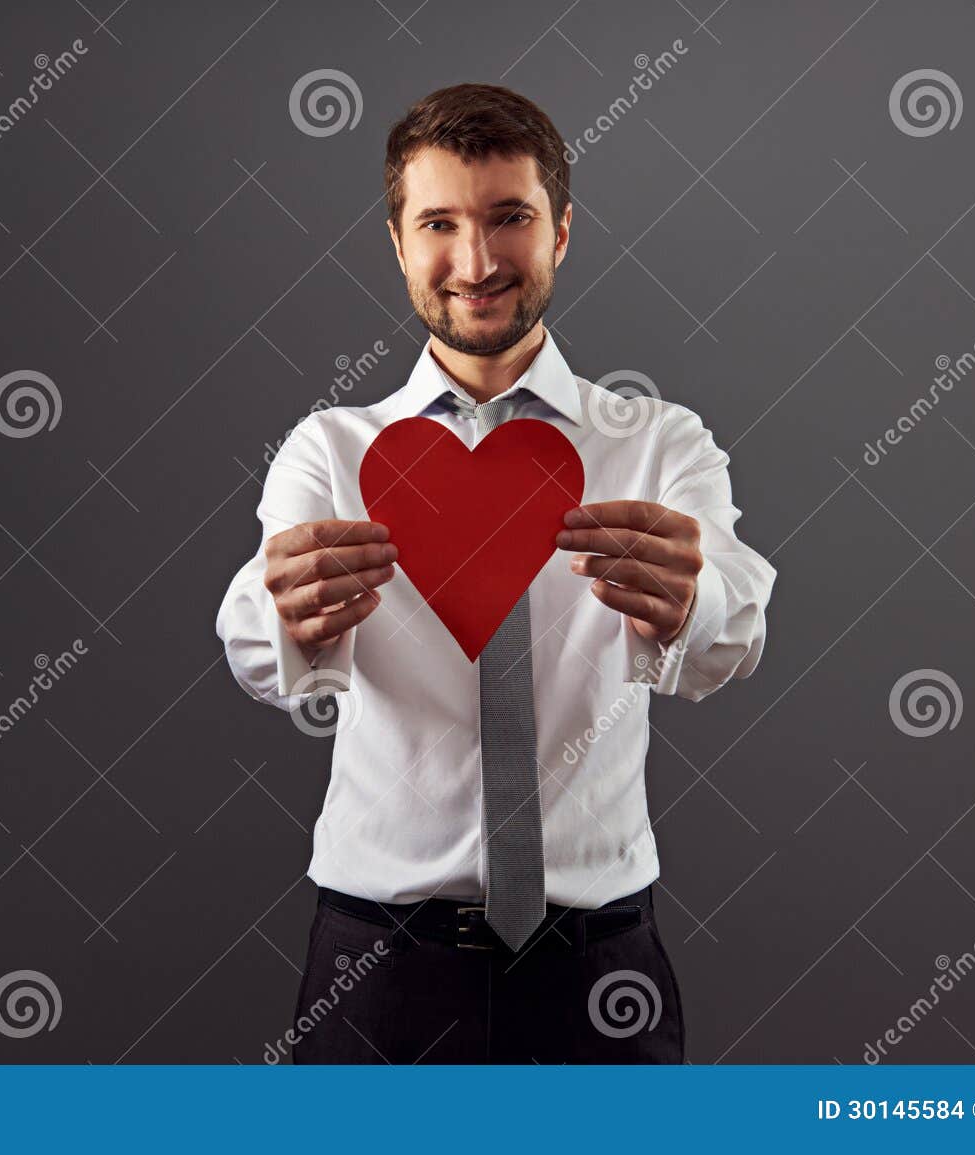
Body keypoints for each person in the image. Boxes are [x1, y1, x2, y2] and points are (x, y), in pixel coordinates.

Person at [216, 82, 777, 1063]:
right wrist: (287, 616)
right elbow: (262, 659)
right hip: (379, 967)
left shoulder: (655, 442)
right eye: (438, 223)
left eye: (508, 217)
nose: (474, 261)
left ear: (561, 231)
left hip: (601, 966)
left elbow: (726, 648)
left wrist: (697, 602)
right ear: (397, 244)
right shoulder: (335, 452)